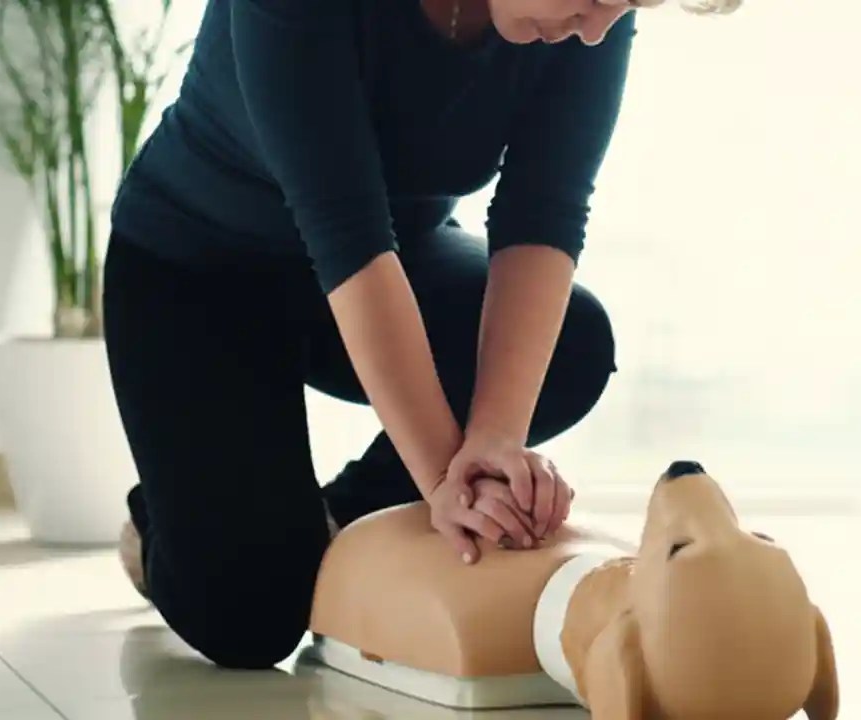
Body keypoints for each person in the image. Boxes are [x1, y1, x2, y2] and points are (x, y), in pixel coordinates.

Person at [103, 0, 724, 671]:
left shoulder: (585, 20)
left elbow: (545, 210)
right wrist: (441, 481)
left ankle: (325, 524)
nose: (602, 27)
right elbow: (345, 230)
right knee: (248, 623)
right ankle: (166, 522)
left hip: (400, 255)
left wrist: (492, 446)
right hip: (200, 268)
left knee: (573, 346)